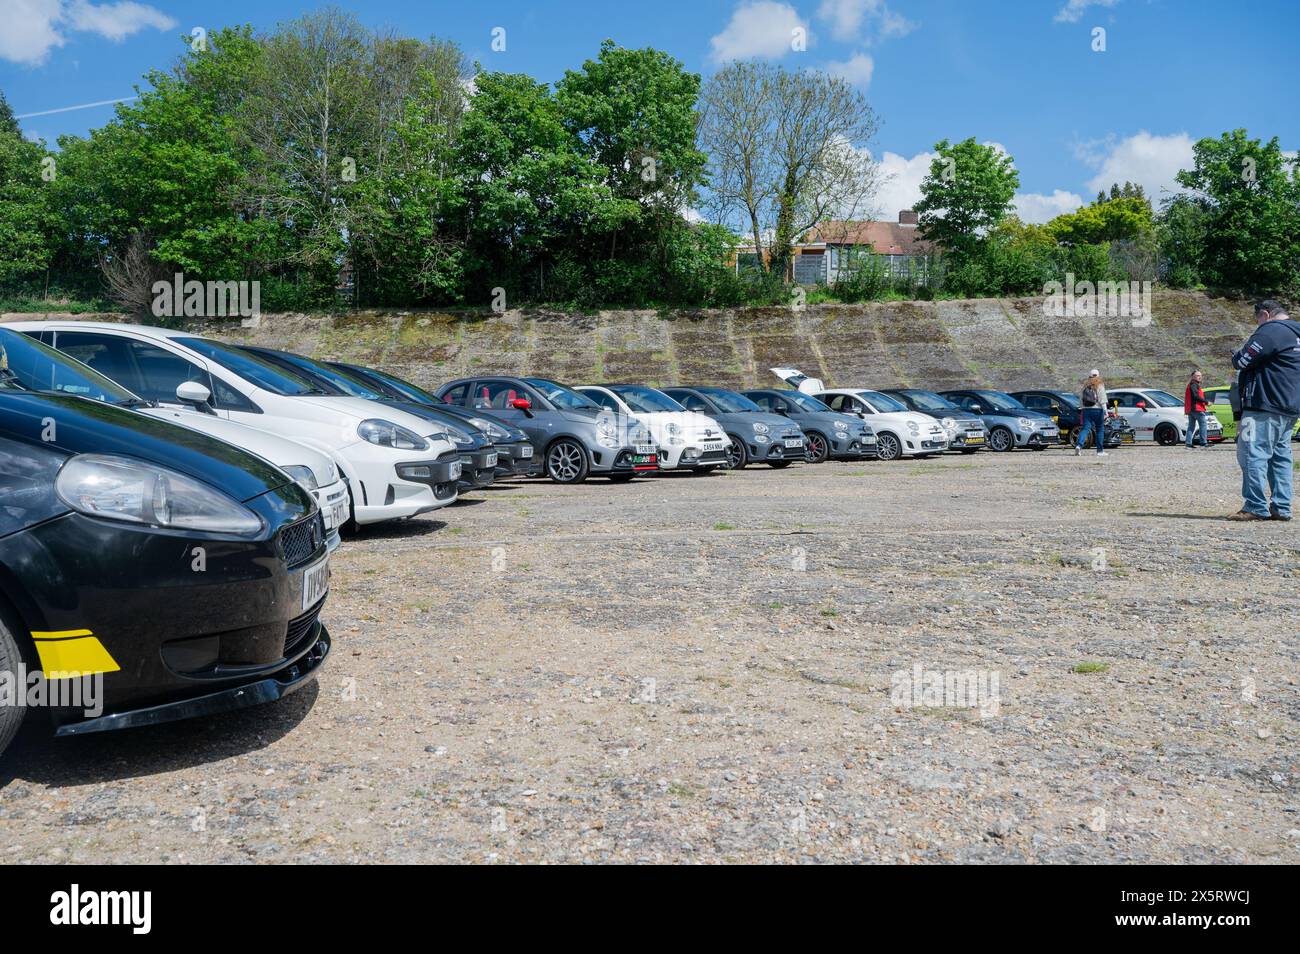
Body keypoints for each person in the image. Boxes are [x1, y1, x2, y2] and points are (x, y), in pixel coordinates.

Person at [1228, 300, 1300, 521]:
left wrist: (1236, 354)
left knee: (1251, 454)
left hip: (1264, 403)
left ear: (1266, 314)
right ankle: (1282, 506)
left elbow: (1242, 360)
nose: (1257, 325)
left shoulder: (1270, 331)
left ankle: (1255, 506)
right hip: (1289, 405)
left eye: (1257, 319)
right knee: (1280, 457)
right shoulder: (1296, 332)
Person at [1075, 370, 1108, 457]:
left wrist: (1082, 408)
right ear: (1098, 375)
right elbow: (1102, 400)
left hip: (1086, 410)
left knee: (1085, 429)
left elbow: (1081, 400)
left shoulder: (1085, 386)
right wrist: (1106, 412)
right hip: (1098, 410)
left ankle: (1079, 445)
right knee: (1100, 429)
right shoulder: (1100, 385)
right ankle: (1100, 451)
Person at [1184, 370, 1209, 448]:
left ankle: (1188, 444)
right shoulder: (1194, 384)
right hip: (1196, 409)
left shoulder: (1191, 384)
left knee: (1191, 426)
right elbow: (1196, 396)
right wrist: (1206, 402)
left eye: (1200, 375)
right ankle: (1203, 443)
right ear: (1193, 376)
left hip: (1190, 409)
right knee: (1203, 425)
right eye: (1198, 375)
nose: (1200, 377)